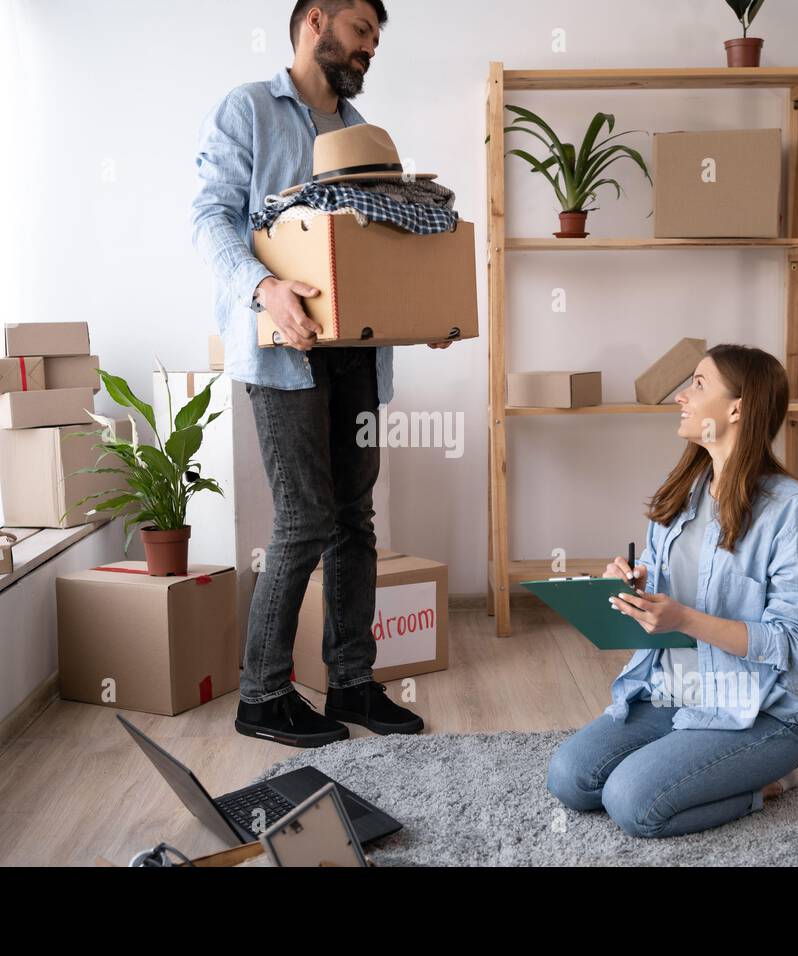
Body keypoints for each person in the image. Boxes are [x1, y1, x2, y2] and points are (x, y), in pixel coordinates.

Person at [191, 1, 447, 748]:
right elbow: (210, 216)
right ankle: (263, 696)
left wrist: (420, 312)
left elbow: (378, 244)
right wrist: (262, 285)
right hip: (280, 352)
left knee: (354, 522)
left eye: (375, 38)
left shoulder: (358, 133)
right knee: (304, 519)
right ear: (317, 23)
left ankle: (353, 685)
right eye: (363, 31)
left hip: (357, 355)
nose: (371, 48)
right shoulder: (247, 109)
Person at [546, 344, 798, 837]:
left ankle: (774, 780)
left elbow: (794, 642)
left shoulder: (795, 513)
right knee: (570, 779)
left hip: (758, 713)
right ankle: (689, 762)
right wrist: (637, 584)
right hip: (671, 695)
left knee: (631, 802)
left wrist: (684, 618)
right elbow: (677, 590)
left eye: (699, 384)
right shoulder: (684, 490)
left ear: (737, 408)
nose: (682, 396)